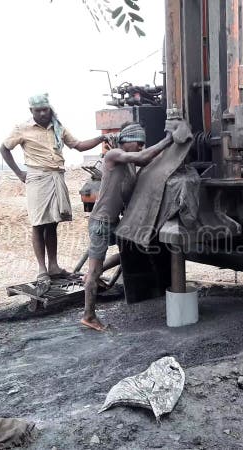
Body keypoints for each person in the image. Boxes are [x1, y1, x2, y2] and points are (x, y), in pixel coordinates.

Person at [0, 93, 107, 286]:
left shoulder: (58, 127)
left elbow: (79, 146)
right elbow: (4, 148)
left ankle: (54, 266)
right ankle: (42, 270)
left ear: (50, 109)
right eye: (38, 110)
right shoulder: (22, 128)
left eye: (45, 109)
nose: (42, 113)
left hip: (56, 177)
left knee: (53, 223)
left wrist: (102, 138)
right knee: (39, 223)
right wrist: (19, 174)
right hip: (37, 178)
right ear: (31, 111)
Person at [82, 123, 173, 331]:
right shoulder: (114, 155)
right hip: (101, 222)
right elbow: (142, 158)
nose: (141, 147)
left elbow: (142, 163)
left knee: (133, 247)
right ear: (127, 141)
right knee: (94, 271)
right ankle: (89, 315)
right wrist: (168, 140)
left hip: (113, 222)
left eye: (143, 144)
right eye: (138, 143)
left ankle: (92, 275)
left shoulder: (128, 163)